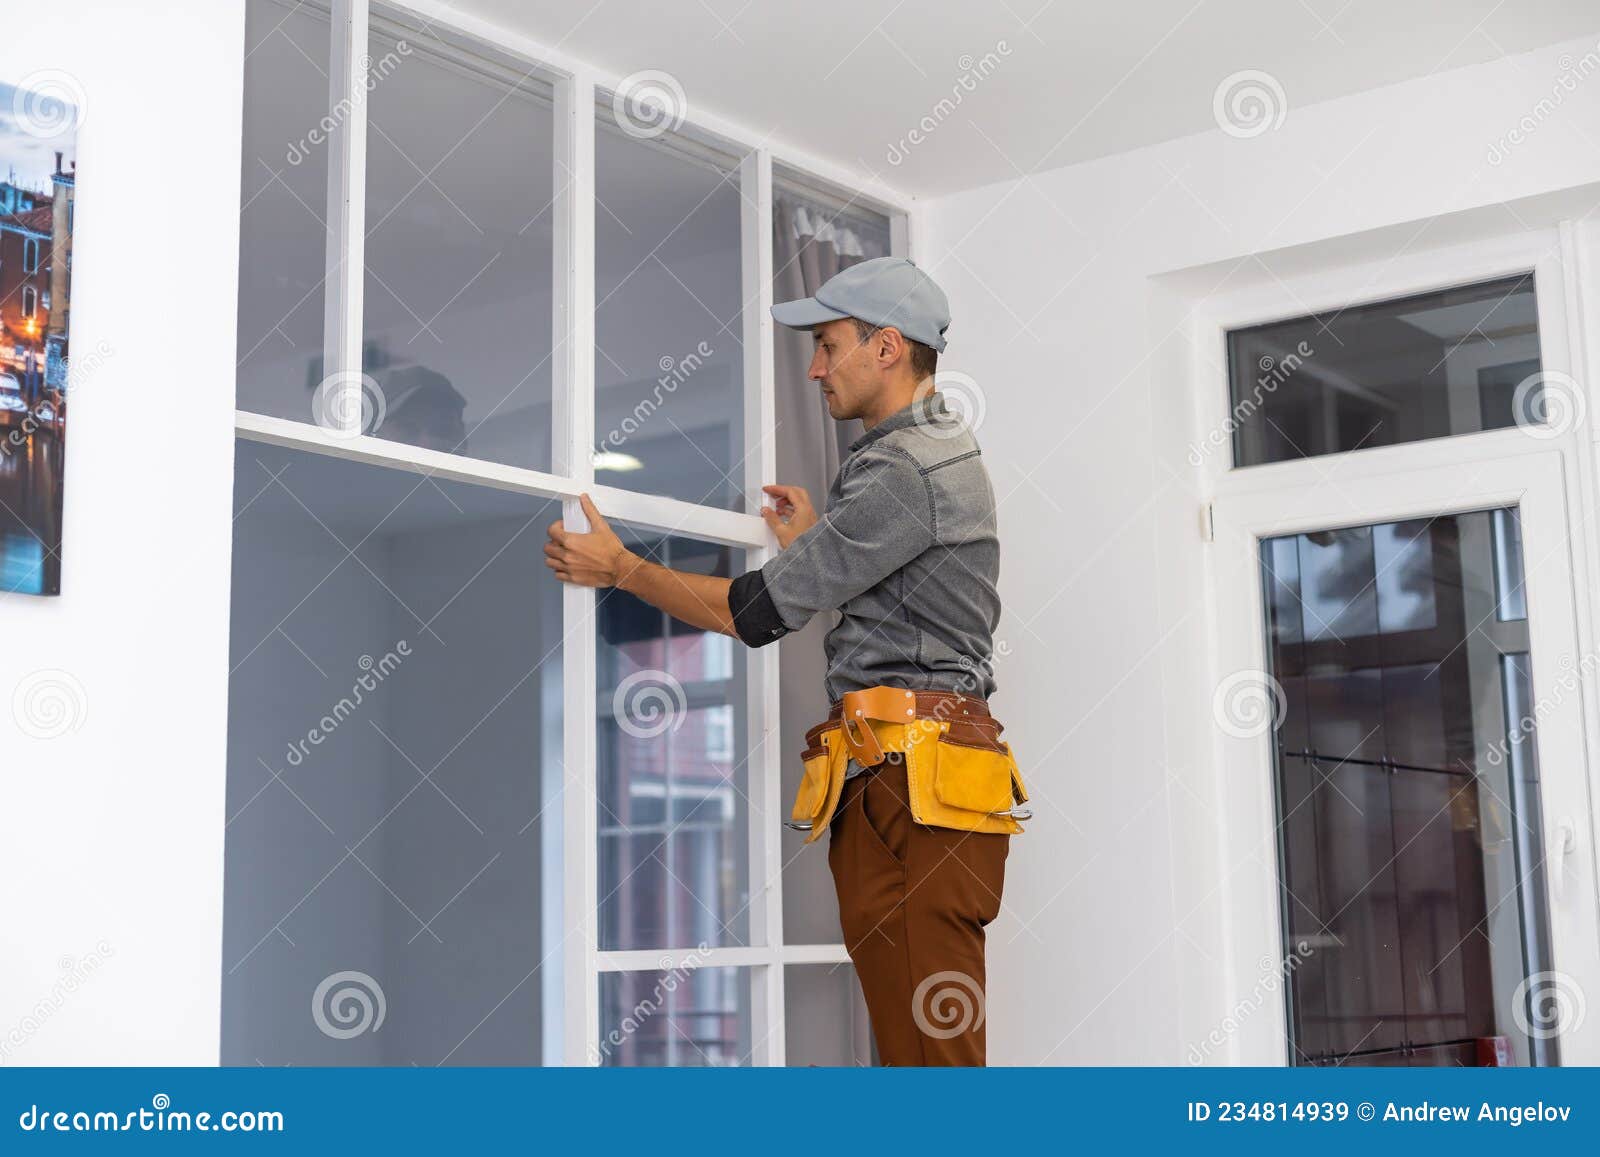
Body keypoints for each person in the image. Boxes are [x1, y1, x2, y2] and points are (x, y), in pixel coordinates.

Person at [545, 256, 1026, 1065]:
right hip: (908, 779)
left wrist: (621, 568)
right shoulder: (922, 451)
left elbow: (752, 613)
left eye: (828, 345)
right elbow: (902, 605)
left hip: (915, 787)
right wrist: (818, 544)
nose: (814, 368)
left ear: (887, 348)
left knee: (931, 1067)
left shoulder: (906, 466)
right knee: (919, 1056)